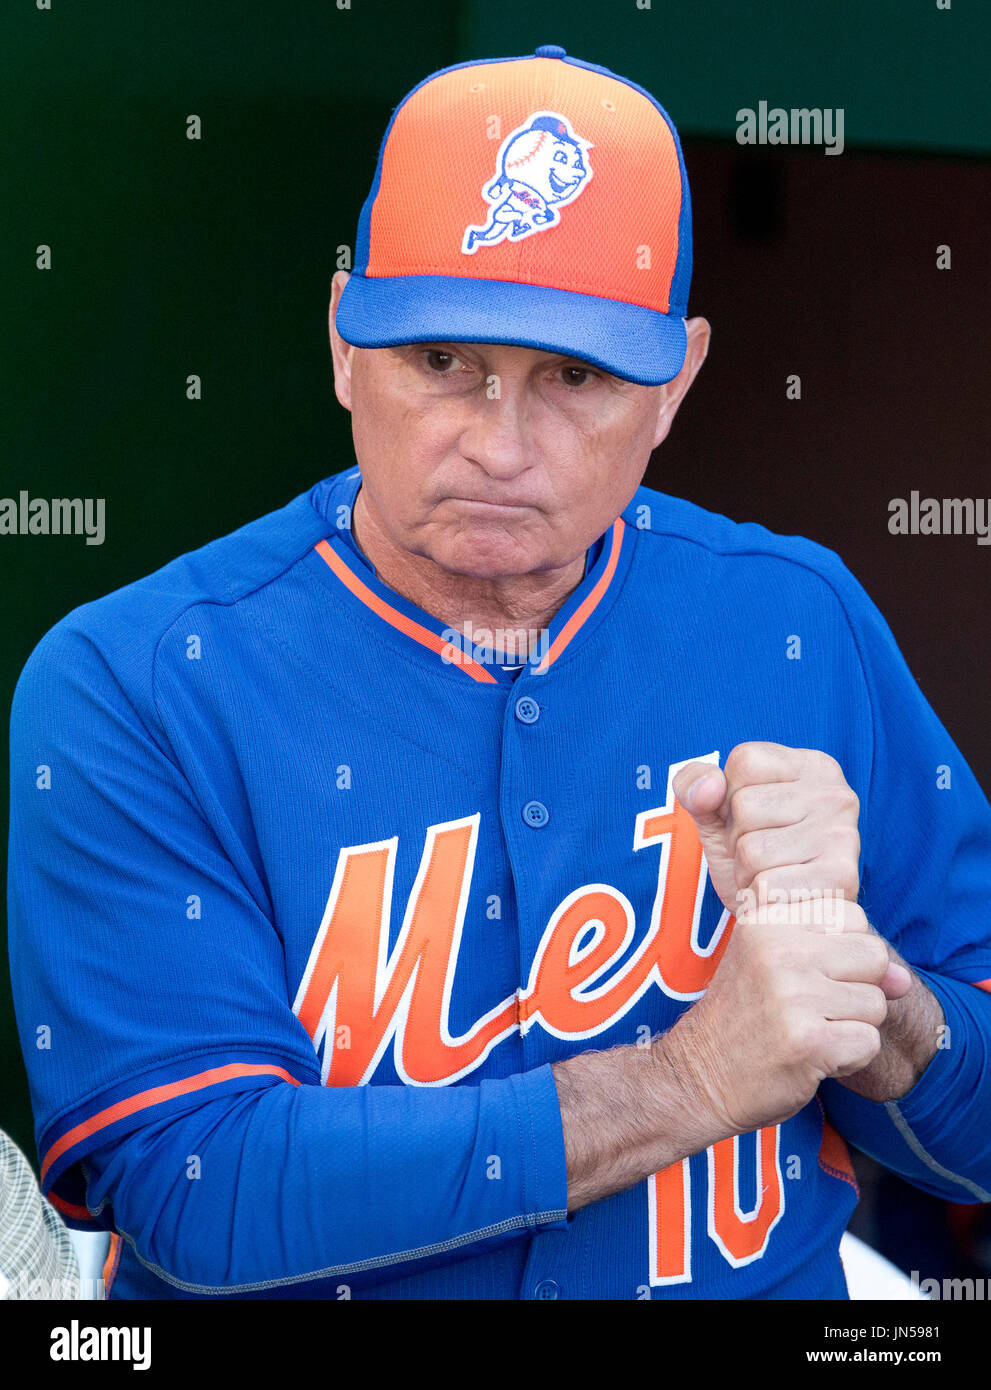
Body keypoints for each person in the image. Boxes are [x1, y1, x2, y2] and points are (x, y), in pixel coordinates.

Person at [7, 45, 991, 1301]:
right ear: (342, 346)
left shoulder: (797, 623)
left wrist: (869, 993)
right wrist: (693, 1078)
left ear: (675, 385)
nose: (497, 443)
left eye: (573, 377)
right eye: (440, 363)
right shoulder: (134, 684)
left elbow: (971, 1144)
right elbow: (195, 1183)